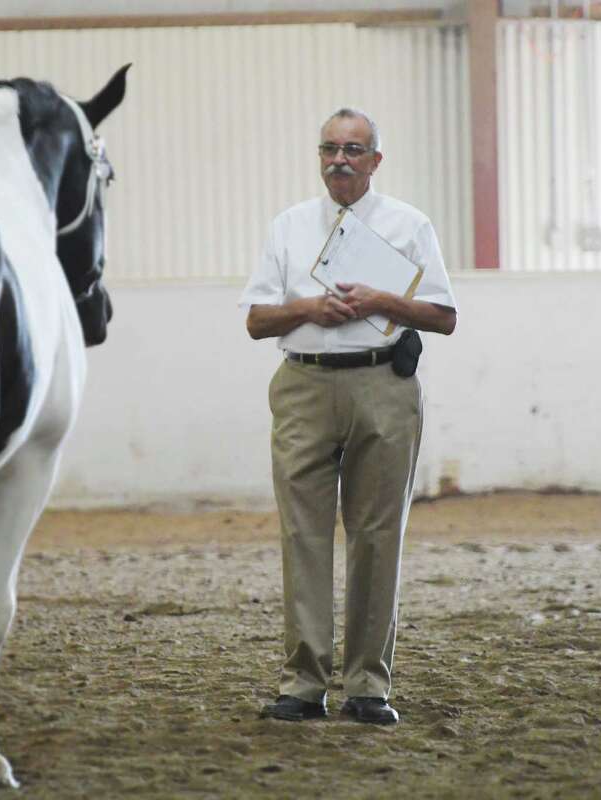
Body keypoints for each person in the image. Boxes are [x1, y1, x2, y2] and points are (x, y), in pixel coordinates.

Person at [240, 108, 458, 725]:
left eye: (354, 149)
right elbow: (257, 320)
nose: (340, 159)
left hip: (382, 384)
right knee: (302, 534)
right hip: (304, 385)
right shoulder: (288, 227)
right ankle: (303, 685)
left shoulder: (410, 226)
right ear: (319, 156)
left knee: (377, 534)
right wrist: (309, 308)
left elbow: (444, 315)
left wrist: (381, 300)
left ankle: (368, 684)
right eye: (330, 148)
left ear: (375, 160)